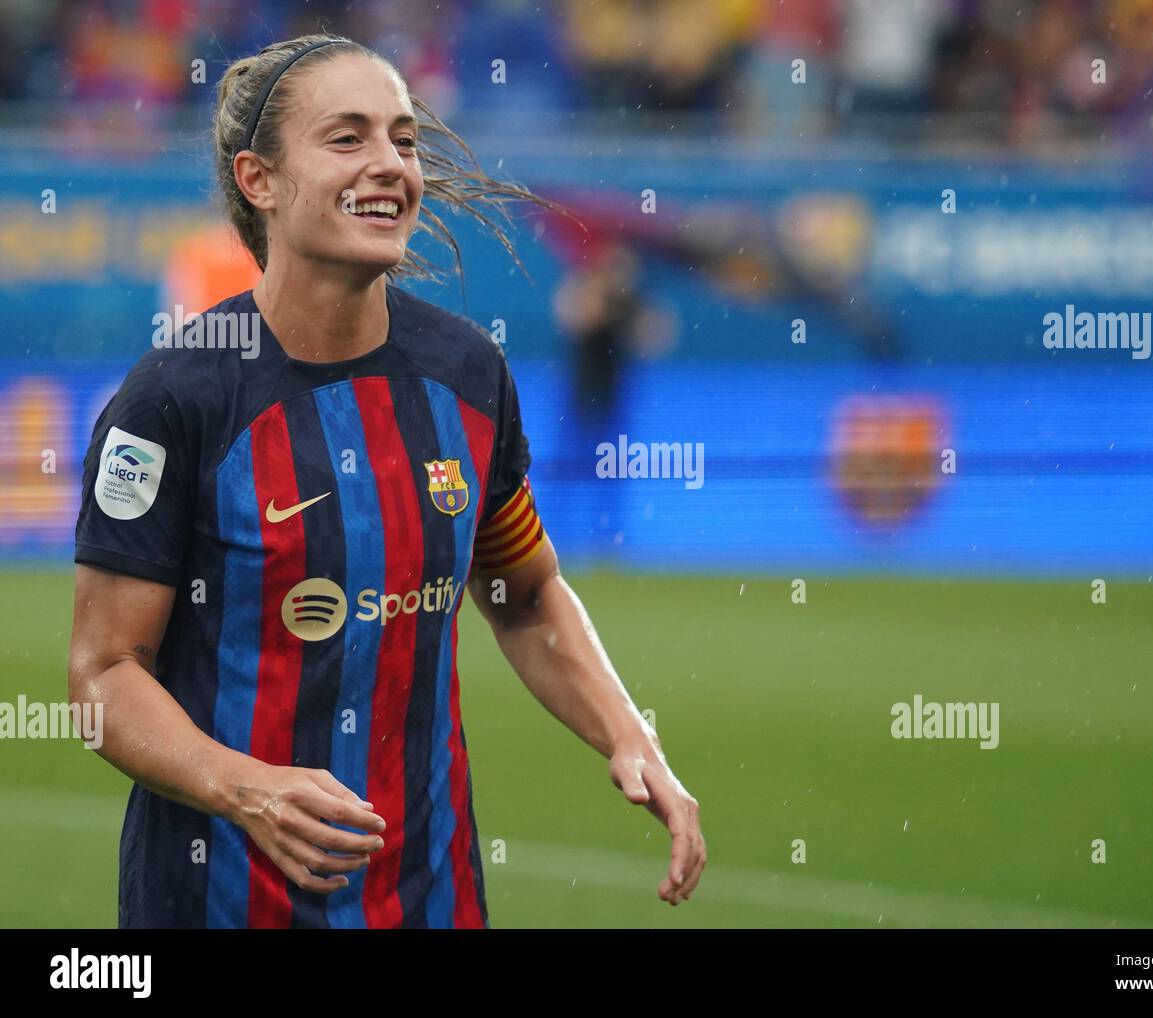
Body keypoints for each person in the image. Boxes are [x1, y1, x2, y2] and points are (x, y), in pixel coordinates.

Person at [68, 33, 705, 928]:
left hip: (430, 894)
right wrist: (248, 789)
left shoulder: (468, 375)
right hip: (216, 899)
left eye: (403, 139)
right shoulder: (173, 401)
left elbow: (523, 595)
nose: (391, 165)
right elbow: (103, 674)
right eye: (348, 138)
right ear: (259, 181)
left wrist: (631, 735)